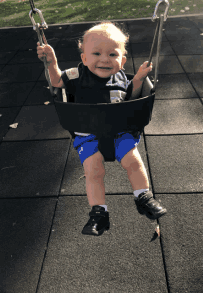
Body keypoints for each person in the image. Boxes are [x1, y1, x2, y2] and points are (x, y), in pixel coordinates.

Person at [37, 21, 167, 236]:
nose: (105, 59)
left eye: (113, 55)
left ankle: (143, 197)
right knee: (93, 170)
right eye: (96, 53)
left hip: (120, 132)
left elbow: (132, 97)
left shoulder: (122, 79)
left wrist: (139, 79)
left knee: (133, 161)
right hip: (87, 135)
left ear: (122, 60)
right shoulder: (75, 76)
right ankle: (99, 213)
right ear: (84, 58)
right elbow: (56, 83)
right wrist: (51, 62)